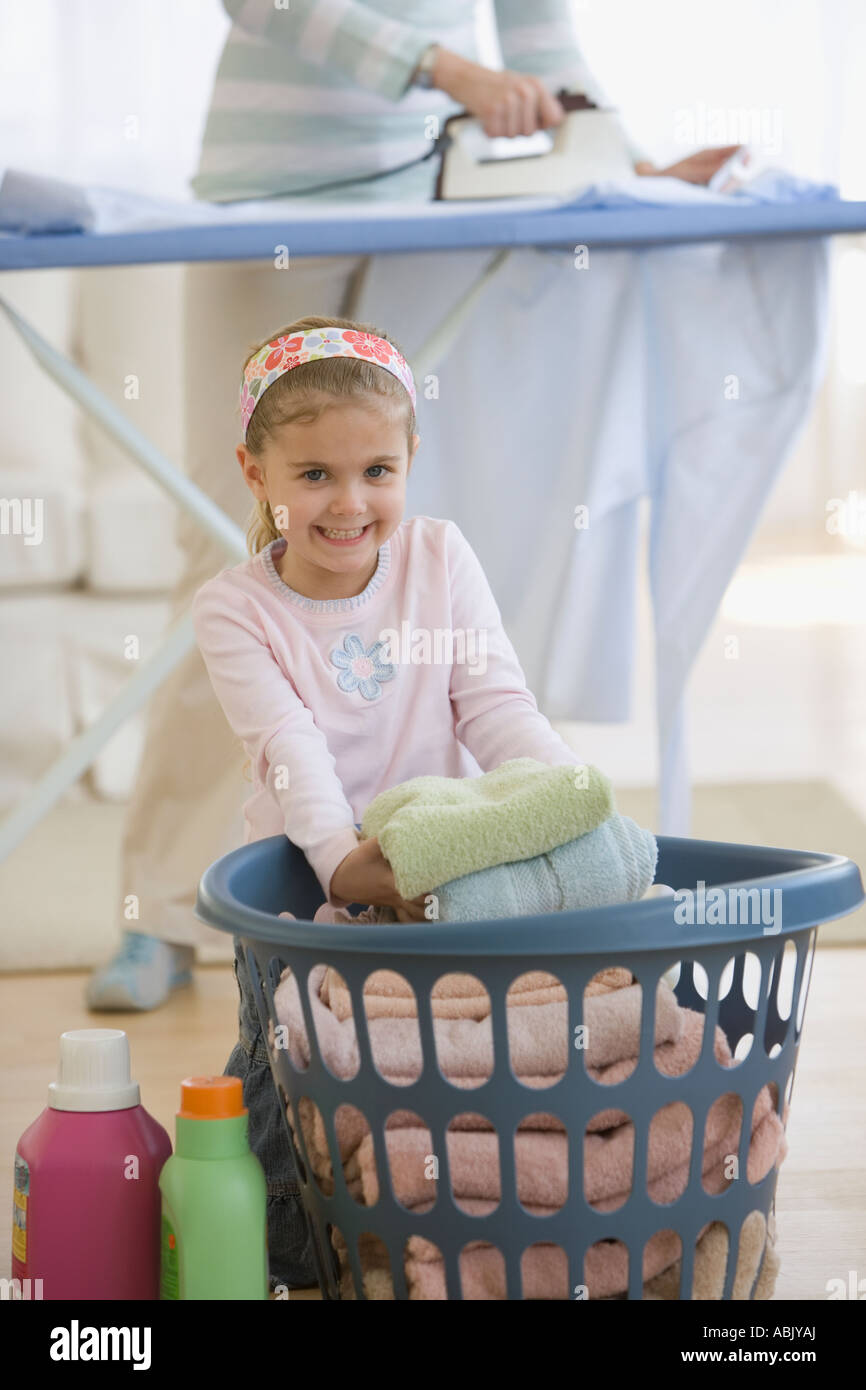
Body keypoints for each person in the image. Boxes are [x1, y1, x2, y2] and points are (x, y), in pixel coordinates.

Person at [86, 0, 737, 1010]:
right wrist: (449, 71)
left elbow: (539, 45)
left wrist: (623, 159)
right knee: (225, 552)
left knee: (387, 541)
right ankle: (163, 912)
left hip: (426, 193)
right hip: (270, 190)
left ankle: (413, 870)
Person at [190, 314, 592, 1288]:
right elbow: (290, 749)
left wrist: (561, 803)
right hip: (298, 887)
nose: (348, 503)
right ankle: (297, 1263)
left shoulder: (439, 558)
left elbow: (494, 705)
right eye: (314, 475)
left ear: (411, 459)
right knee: (284, 1084)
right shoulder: (236, 608)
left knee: (428, 1080)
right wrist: (346, 862)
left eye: (377, 471)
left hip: (436, 874)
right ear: (256, 476)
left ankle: (423, 1245)